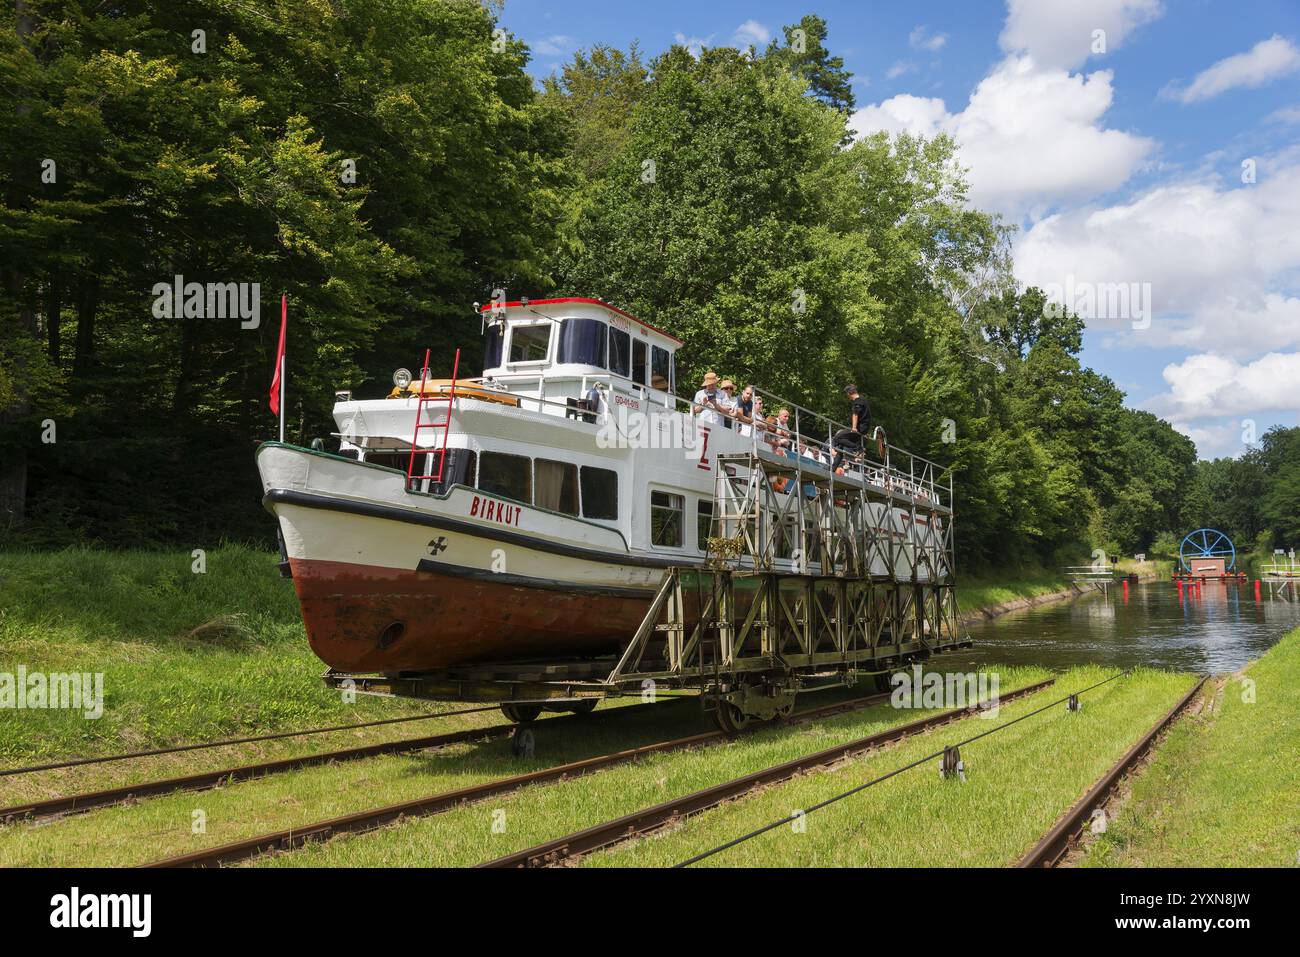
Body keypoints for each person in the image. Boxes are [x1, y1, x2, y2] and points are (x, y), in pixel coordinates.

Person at [831, 383, 871, 472]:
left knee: (837, 438)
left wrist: (854, 427)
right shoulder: (863, 400)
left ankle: (858, 448)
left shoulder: (858, 401)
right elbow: (867, 416)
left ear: (849, 393)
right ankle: (833, 468)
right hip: (863, 428)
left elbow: (855, 413)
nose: (847, 397)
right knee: (841, 445)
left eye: (847, 395)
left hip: (859, 428)